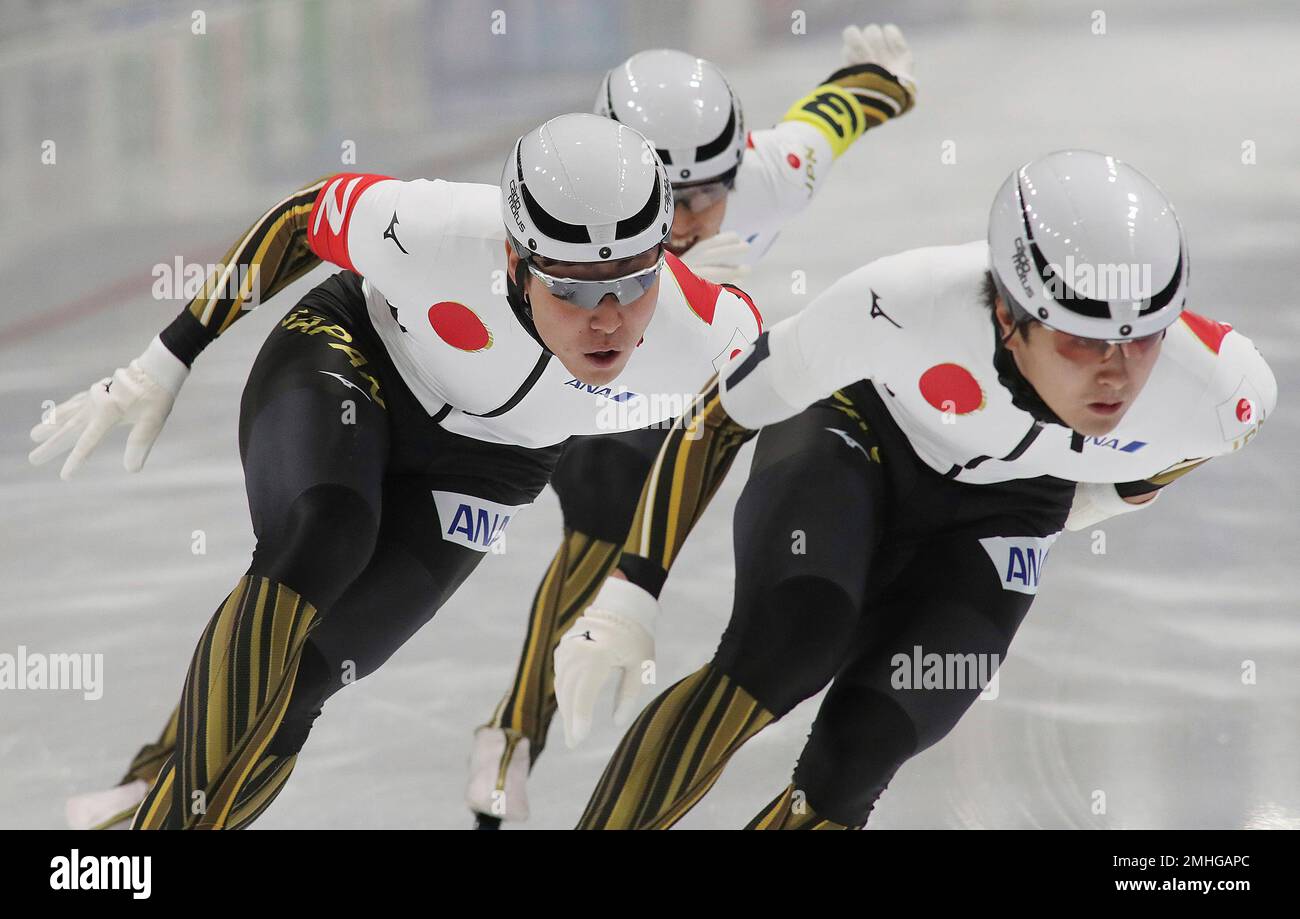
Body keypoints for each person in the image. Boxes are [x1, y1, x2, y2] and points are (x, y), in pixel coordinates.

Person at [34, 112, 763, 829]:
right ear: (514, 260)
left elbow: (773, 401)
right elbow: (302, 217)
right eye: (571, 287)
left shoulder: (698, 333)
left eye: (632, 282)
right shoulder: (435, 230)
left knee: (309, 678)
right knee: (328, 530)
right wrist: (166, 358)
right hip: (356, 356)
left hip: (494, 463)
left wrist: (636, 585)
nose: (606, 317)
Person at [552, 150, 1279, 829]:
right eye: (1081, 340)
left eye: (1142, 337)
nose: (1116, 375)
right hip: (855, 435)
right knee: (791, 641)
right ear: (1008, 315)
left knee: (863, 750)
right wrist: (631, 588)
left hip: (1011, 507)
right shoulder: (901, 303)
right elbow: (724, 413)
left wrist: (1097, 500)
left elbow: (1168, 456)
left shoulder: (1220, 392)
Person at [469, 23, 917, 827]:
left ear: (735, 170)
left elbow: (829, 121)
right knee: (606, 514)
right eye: (663, 198)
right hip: (582, 364)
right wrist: (662, 283)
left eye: (705, 195)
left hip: (687, 371)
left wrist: (876, 80)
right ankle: (510, 732)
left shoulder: (773, 177)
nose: (681, 218)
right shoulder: (572, 194)